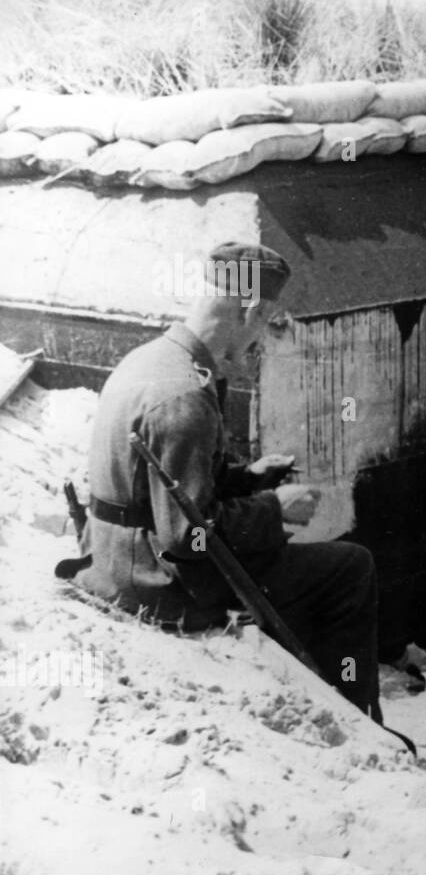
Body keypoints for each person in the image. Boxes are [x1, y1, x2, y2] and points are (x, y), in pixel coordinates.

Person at [62, 243, 383, 719]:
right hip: (152, 582)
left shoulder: (152, 359)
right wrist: (276, 507)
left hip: (115, 557)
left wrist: (247, 478)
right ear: (251, 308)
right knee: (350, 567)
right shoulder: (184, 396)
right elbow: (186, 535)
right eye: (267, 322)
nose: (261, 340)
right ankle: (359, 716)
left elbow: (159, 490)